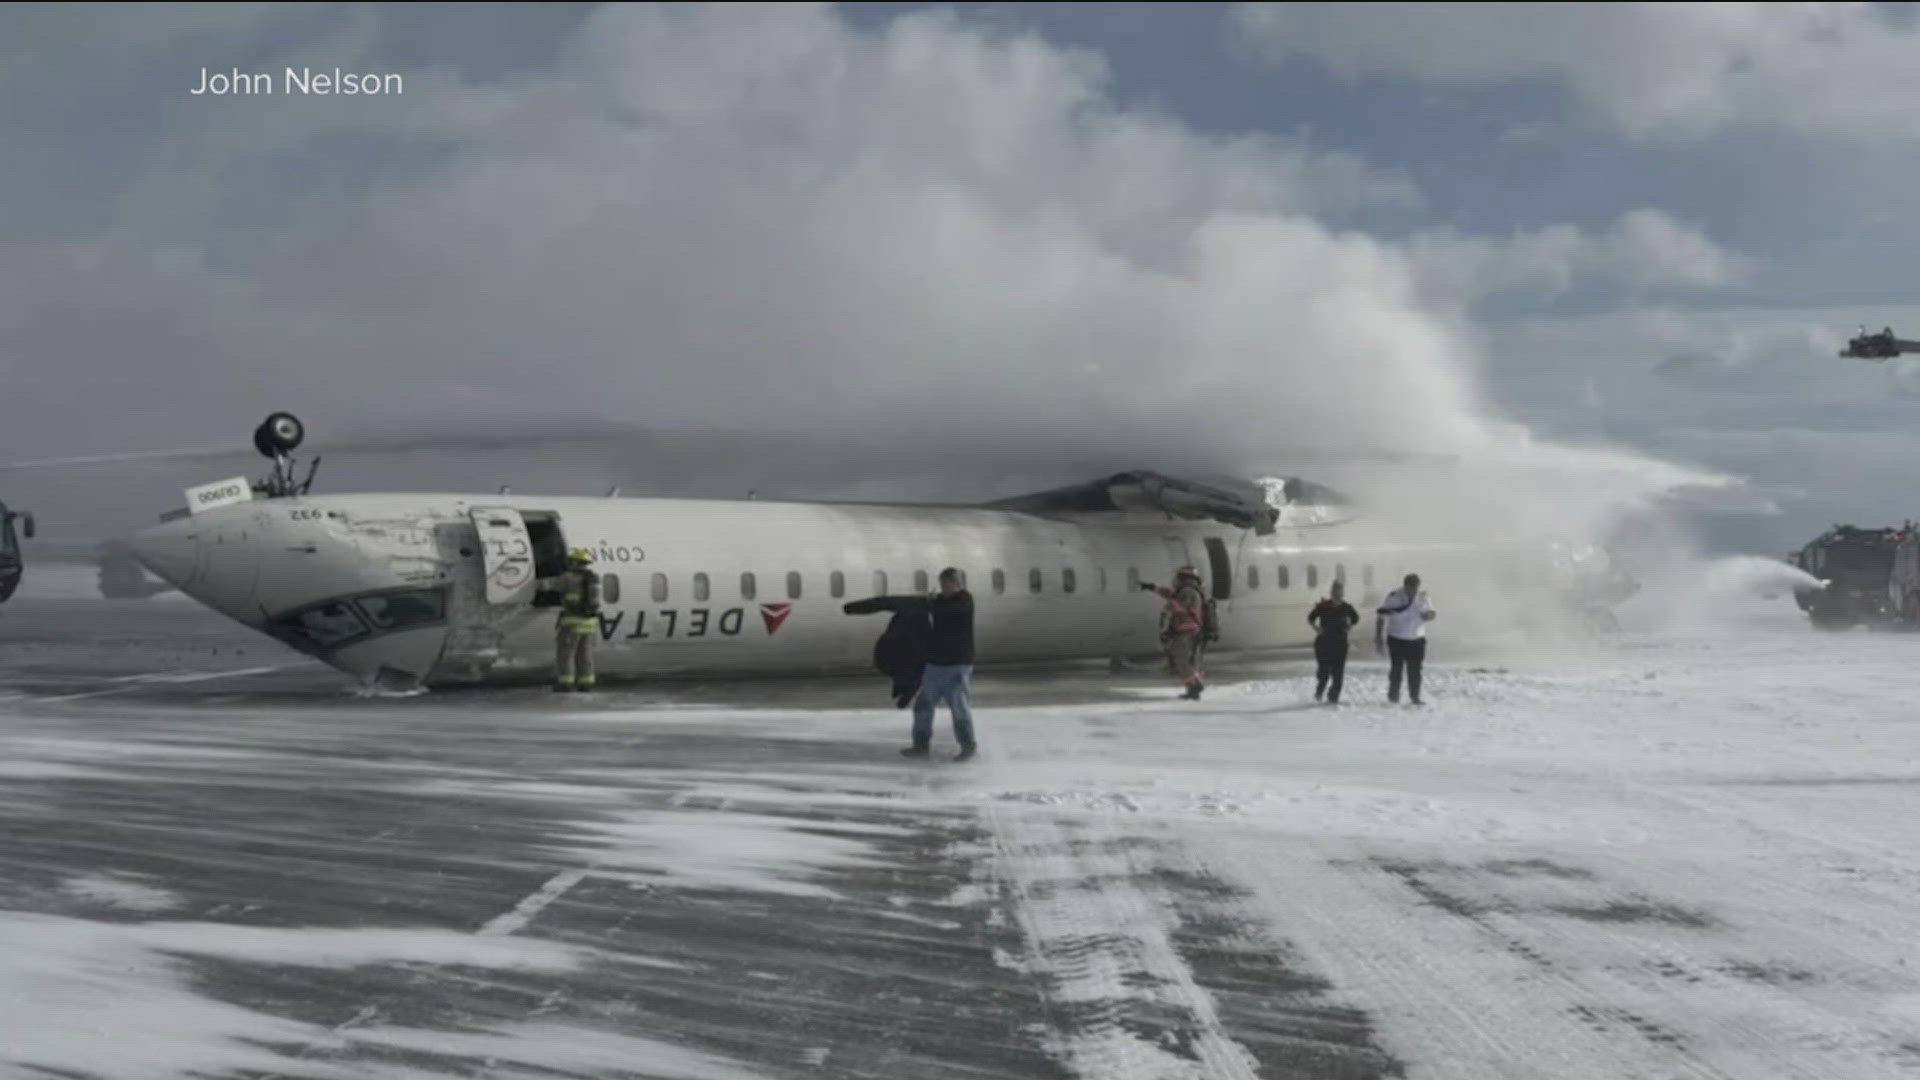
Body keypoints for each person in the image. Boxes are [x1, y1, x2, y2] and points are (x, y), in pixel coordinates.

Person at [846, 568, 977, 760]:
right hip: (935, 666)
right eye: (942, 584)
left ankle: (968, 746)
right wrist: (857, 607)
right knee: (923, 707)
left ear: (956, 584)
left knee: (959, 707)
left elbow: (949, 610)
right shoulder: (937, 602)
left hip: (957, 666)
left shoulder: (965, 600)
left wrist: (929, 603)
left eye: (946, 584)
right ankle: (920, 746)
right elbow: (898, 602)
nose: (943, 588)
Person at [840, 594, 932, 708]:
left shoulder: (916, 605)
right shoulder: (918, 605)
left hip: (890, 651)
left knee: (919, 665)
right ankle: (905, 688)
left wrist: (851, 608)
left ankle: (904, 688)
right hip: (895, 650)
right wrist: (851, 608)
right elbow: (882, 602)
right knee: (922, 664)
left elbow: (881, 602)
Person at [1140, 566, 1207, 700]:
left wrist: (1168, 609)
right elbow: (1170, 594)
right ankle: (1192, 686)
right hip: (1186, 630)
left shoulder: (1187, 592)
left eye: (1179, 577)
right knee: (1183, 659)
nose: (1176, 580)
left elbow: (1178, 606)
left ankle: (1194, 685)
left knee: (1181, 659)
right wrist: (1153, 587)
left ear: (1184, 578)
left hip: (1186, 630)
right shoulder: (1186, 591)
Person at [542, 548, 601, 693]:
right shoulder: (593, 578)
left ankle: (565, 683)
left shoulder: (568, 578)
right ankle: (586, 683)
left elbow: (547, 585)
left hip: (572, 622)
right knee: (585, 654)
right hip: (589, 623)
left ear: (574, 562)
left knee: (566, 654)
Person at [1375, 572, 1436, 705]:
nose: (1413, 590)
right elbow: (1381, 616)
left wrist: (1429, 616)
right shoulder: (1394, 596)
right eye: (1411, 587)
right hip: (1397, 638)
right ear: (1405, 586)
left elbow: (1431, 612)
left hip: (1417, 639)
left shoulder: (1423, 596)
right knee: (1396, 669)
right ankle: (1393, 696)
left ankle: (1415, 697)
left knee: (1415, 670)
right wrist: (1378, 637)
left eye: (1415, 587)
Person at [1308, 579, 1360, 704]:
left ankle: (1332, 699)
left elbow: (1355, 618)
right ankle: (1319, 694)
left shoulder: (1346, 607)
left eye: (1340, 593)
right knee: (1324, 673)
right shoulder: (1323, 606)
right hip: (1323, 644)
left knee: (1338, 674)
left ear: (1342, 594)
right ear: (1331, 593)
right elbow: (1311, 618)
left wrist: (1349, 627)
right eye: (1335, 593)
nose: (1337, 596)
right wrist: (1316, 628)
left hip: (1340, 644)